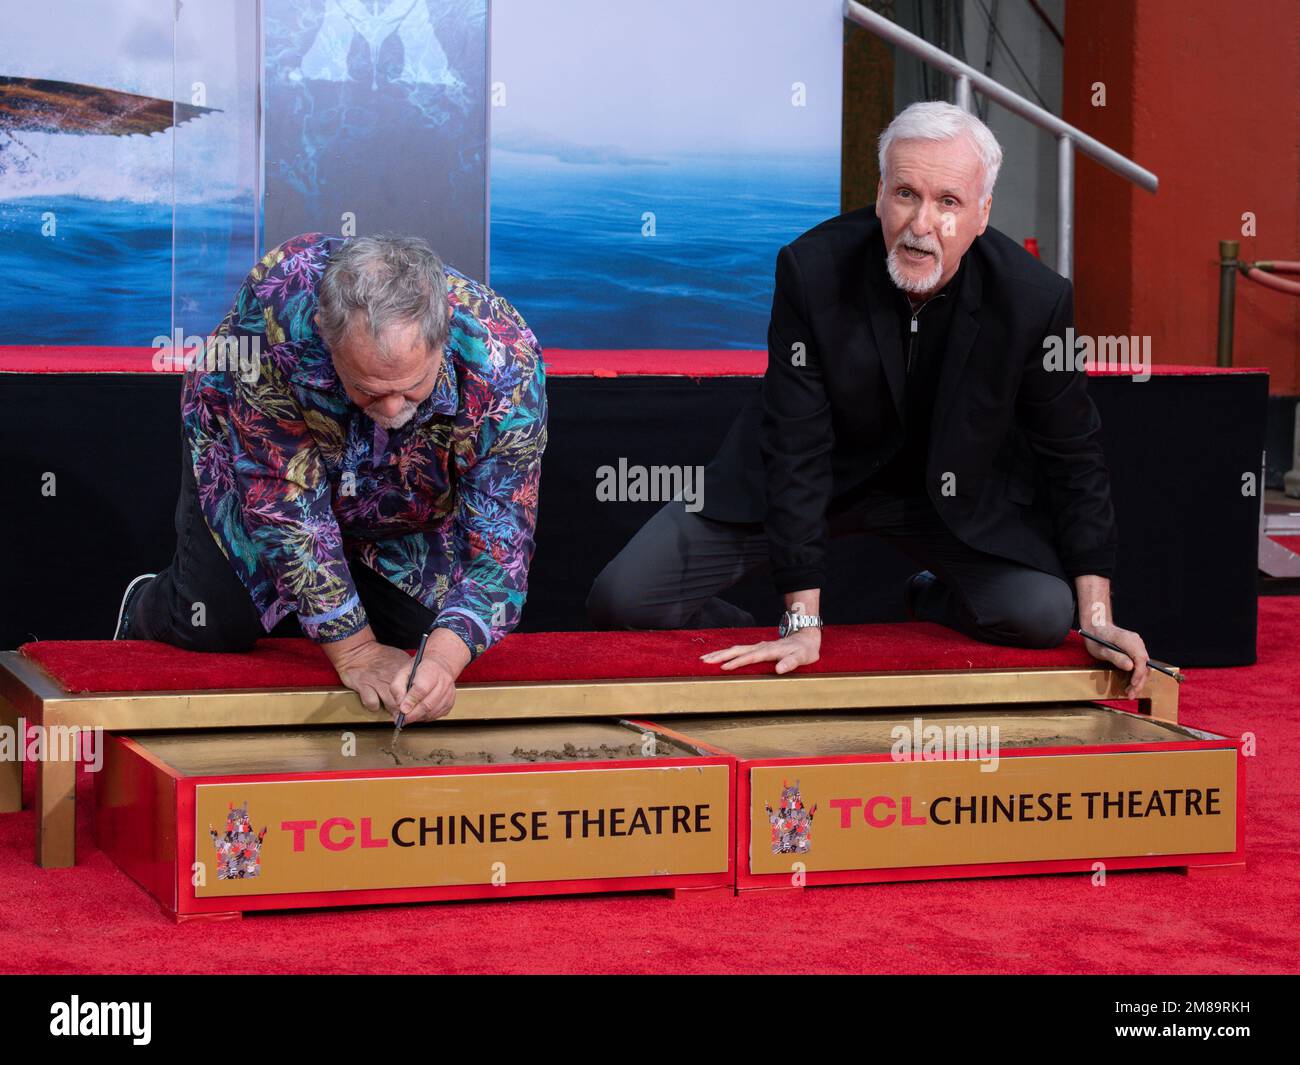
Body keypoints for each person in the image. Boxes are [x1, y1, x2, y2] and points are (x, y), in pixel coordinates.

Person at [587, 101, 1150, 697]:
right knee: (623, 598)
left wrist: (1097, 618)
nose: (921, 224)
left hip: (946, 499)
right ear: (880, 194)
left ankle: (929, 596)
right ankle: (733, 628)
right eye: (906, 193)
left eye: (949, 202)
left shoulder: (1035, 299)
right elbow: (796, 443)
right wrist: (801, 620)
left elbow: (1074, 455)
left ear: (983, 214)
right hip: (810, 480)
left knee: (1039, 613)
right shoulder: (812, 269)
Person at [115, 233, 547, 723]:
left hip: (407, 485)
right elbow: (282, 500)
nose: (391, 410)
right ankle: (145, 606)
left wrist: (443, 660)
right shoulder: (276, 308)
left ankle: (324, 603)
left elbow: (501, 548)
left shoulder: (505, 364)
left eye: (410, 390)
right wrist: (356, 651)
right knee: (213, 622)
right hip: (264, 454)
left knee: (426, 636)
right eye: (368, 388)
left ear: (442, 334)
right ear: (326, 331)